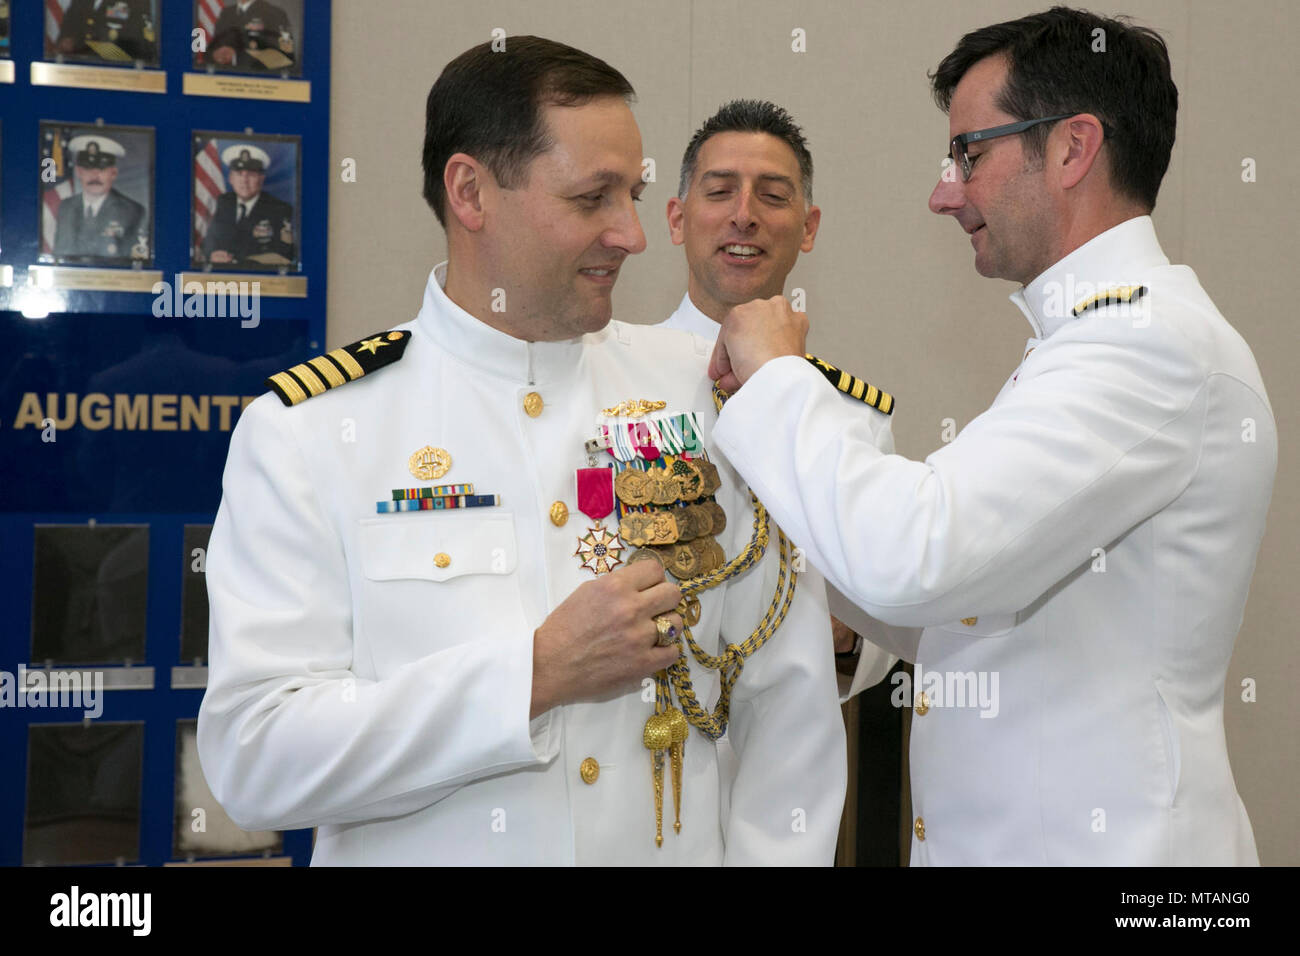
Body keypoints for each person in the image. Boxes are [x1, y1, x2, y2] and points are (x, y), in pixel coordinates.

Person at [197, 36, 846, 865]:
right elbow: (257, 758)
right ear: (471, 191)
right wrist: (531, 675)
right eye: (592, 198)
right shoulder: (312, 431)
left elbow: (784, 711)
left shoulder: (710, 392)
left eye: (636, 194)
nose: (633, 234)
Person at [708, 6, 1275, 865]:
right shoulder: (1086, 341)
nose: (944, 192)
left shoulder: (1145, 343)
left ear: (1072, 149)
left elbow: (917, 555)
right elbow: (983, 600)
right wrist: (836, 611)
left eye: (970, 153)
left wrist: (780, 377)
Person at [662, 99, 901, 696]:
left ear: (809, 227)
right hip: (650, 758)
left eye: (773, 195)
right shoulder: (614, 387)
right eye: (719, 192)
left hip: (789, 772)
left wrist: (852, 635)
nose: (744, 217)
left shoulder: (850, 416)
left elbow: (878, 621)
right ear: (676, 219)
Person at [53, 135, 147, 265]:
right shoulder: (66, 207)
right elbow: (60, 256)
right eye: (88, 168)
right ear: (78, 172)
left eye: (102, 169)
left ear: (113, 173)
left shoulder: (132, 211)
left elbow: (136, 262)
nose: (94, 176)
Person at [199, 143, 295, 269]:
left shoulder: (279, 209)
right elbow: (208, 241)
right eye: (239, 174)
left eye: (251, 174)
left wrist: (237, 260)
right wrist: (213, 253)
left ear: (261, 179)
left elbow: (285, 254)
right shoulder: (224, 202)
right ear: (231, 178)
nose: (244, 180)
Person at [55, 0, 156, 64]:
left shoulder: (136, 2)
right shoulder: (80, 2)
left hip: (117, 72)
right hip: (78, 68)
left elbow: (143, 49)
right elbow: (65, 34)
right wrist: (66, 42)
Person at [208, 0, 295, 72]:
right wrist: (215, 54)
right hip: (224, 78)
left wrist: (235, 57)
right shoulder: (226, 13)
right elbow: (213, 48)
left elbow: (285, 57)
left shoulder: (274, 13)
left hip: (261, 81)